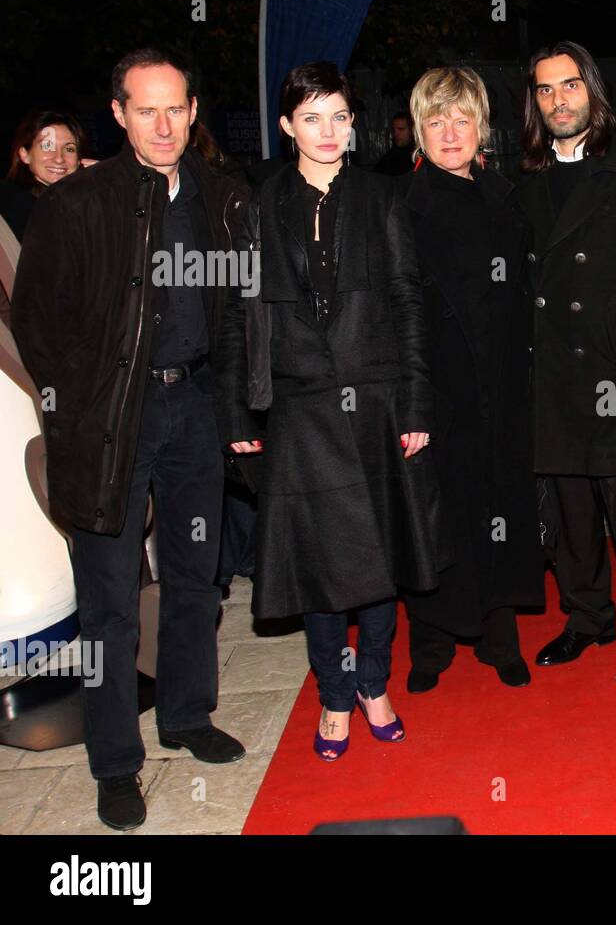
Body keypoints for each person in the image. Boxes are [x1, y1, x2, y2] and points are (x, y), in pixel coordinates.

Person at [11, 49, 249, 830]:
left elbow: (237, 314)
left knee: (193, 581)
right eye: (145, 109)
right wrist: (87, 407)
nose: (163, 124)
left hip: (196, 413)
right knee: (108, 603)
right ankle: (116, 761)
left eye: (175, 107)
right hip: (112, 424)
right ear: (117, 114)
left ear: (192, 110)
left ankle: (185, 715)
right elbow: (40, 327)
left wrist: (233, 410)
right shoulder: (77, 203)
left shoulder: (219, 197)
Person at [216, 61, 444, 760]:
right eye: (311, 117)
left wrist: (415, 402)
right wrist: (238, 418)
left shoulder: (384, 198)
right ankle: (335, 693)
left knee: (378, 558)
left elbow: (408, 302)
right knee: (318, 567)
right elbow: (240, 315)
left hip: (375, 400)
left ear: (354, 123)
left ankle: (374, 680)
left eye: (339, 116)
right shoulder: (257, 205)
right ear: (286, 127)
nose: (327, 130)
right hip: (299, 407)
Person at [516, 41, 616, 686]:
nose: (559, 100)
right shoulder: (521, 182)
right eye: (547, 90)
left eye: (571, 86)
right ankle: (587, 618)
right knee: (572, 509)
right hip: (552, 370)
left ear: (594, 91)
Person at [399, 66, 543, 691]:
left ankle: (498, 635)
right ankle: (430, 643)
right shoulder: (400, 207)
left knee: (501, 506)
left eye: (462, 120)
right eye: (437, 120)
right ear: (418, 130)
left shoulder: (503, 198)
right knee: (438, 516)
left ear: (481, 127)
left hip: (503, 388)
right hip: (437, 391)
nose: (450, 132)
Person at [1, 109, 87, 242]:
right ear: (25, 155)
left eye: (69, 149)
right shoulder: (16, 206)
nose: (59, 158)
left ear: (79, 159)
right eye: (47, 146)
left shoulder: (78, 201)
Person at [372, 111, 416, 176]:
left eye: (401, 129)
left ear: (412, 130)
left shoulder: (419, 157)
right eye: (393, 129)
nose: (395, 134)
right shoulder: (390, 157)